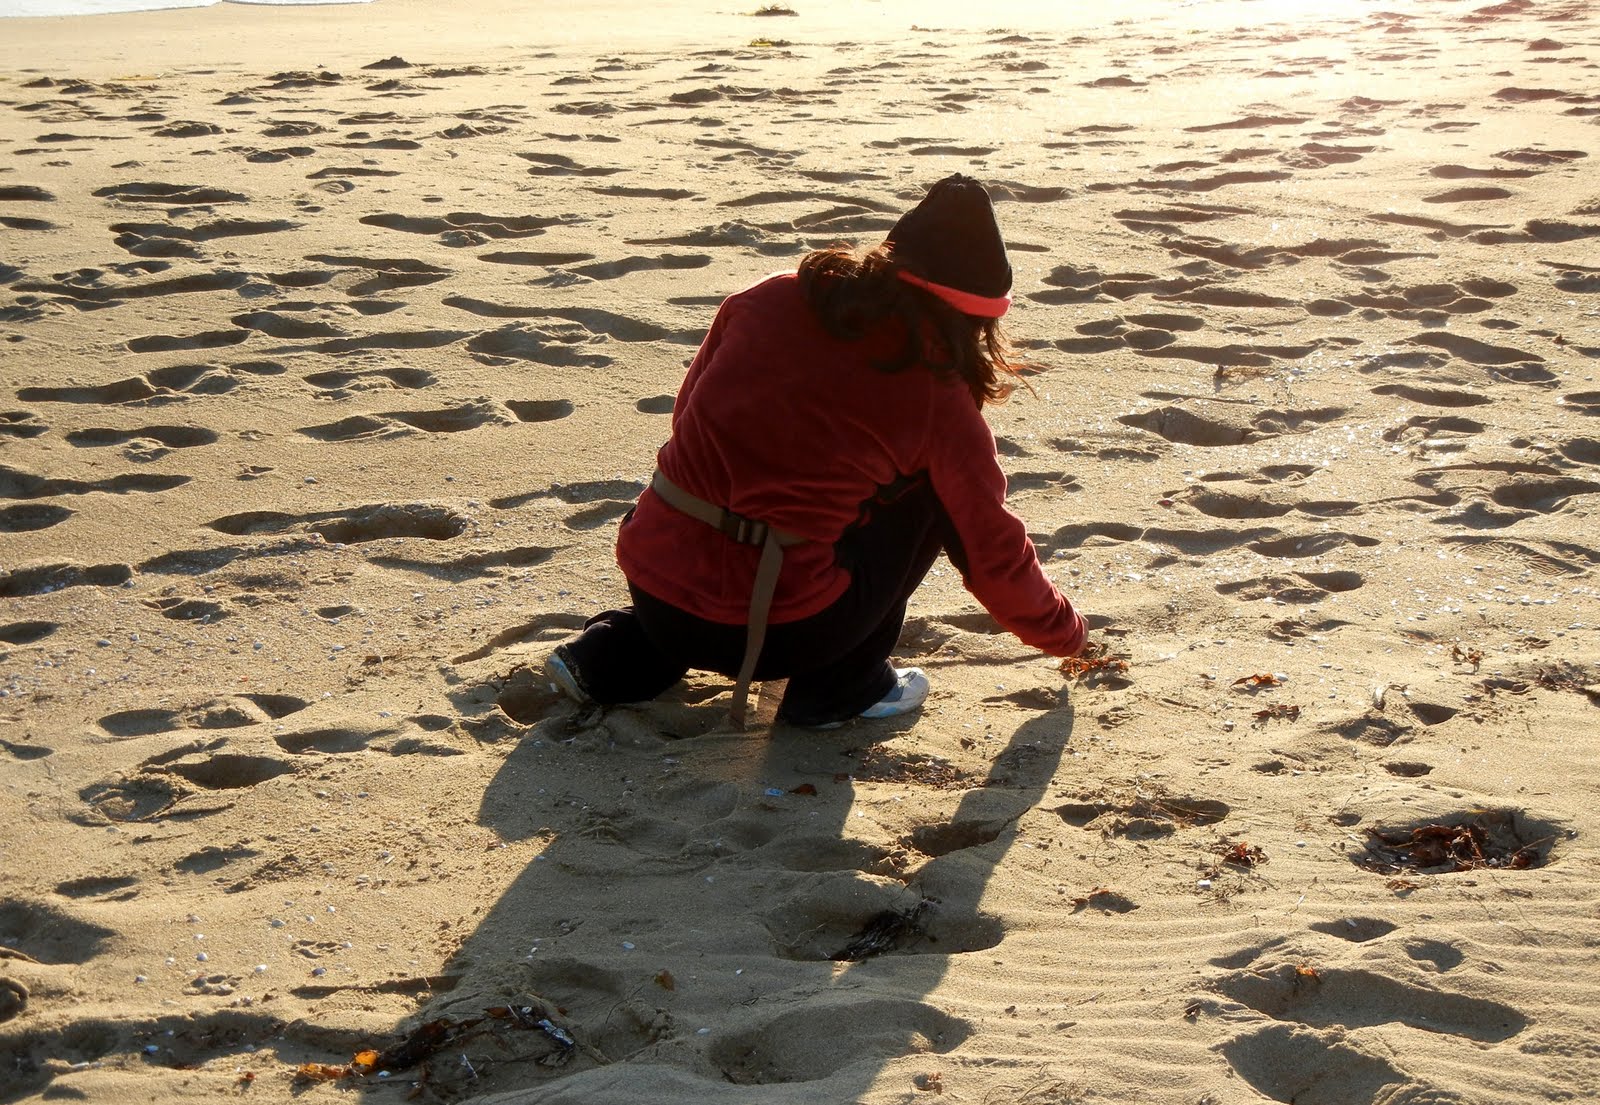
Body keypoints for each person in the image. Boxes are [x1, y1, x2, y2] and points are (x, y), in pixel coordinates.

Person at [547, 173, 1087, 728]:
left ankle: (616, 658)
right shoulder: (938, 392)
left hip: (654, 582)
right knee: (931, 497)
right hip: (787, 631)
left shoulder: (767, 296)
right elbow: (992, 556)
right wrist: (1067, 634)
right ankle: (841, 687)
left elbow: (687, 418)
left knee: (707, 488)